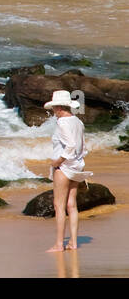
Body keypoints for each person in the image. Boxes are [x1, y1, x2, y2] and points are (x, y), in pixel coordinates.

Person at [44, 89, 92, 253]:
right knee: (72, 205)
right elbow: (83, 147)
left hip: (64, 168)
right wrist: (78, 163)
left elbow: (70, 145)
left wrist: (58, 161)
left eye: (53, 108)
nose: (53, 112)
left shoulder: (62, 123)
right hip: (77, 166)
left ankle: (59, 244)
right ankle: (73, 242)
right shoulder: (78, 122)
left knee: (59, 206)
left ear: (58, 107)